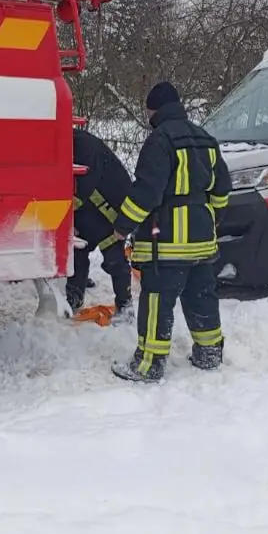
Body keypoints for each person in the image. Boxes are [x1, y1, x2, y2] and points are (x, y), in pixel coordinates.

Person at [109, 82, 232, 382]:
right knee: (201, 296)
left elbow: (147, 193)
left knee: (156, 301)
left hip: (166, 244)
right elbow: (222, 190)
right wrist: (211, 219)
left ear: (154, 109)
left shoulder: (159, 141)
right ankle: (209, 353)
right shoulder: (206, 140)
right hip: (202, 242)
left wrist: (122, 226)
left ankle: (148, 364)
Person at [68, 126, 134, 324]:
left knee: (113, 257)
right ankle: (74, 296)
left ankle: (125, 304)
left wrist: (67, 216)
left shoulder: (83, 147)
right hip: (92, 208)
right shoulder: (72, 143)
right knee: (79, 250)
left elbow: (82, 187)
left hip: (111, 209)